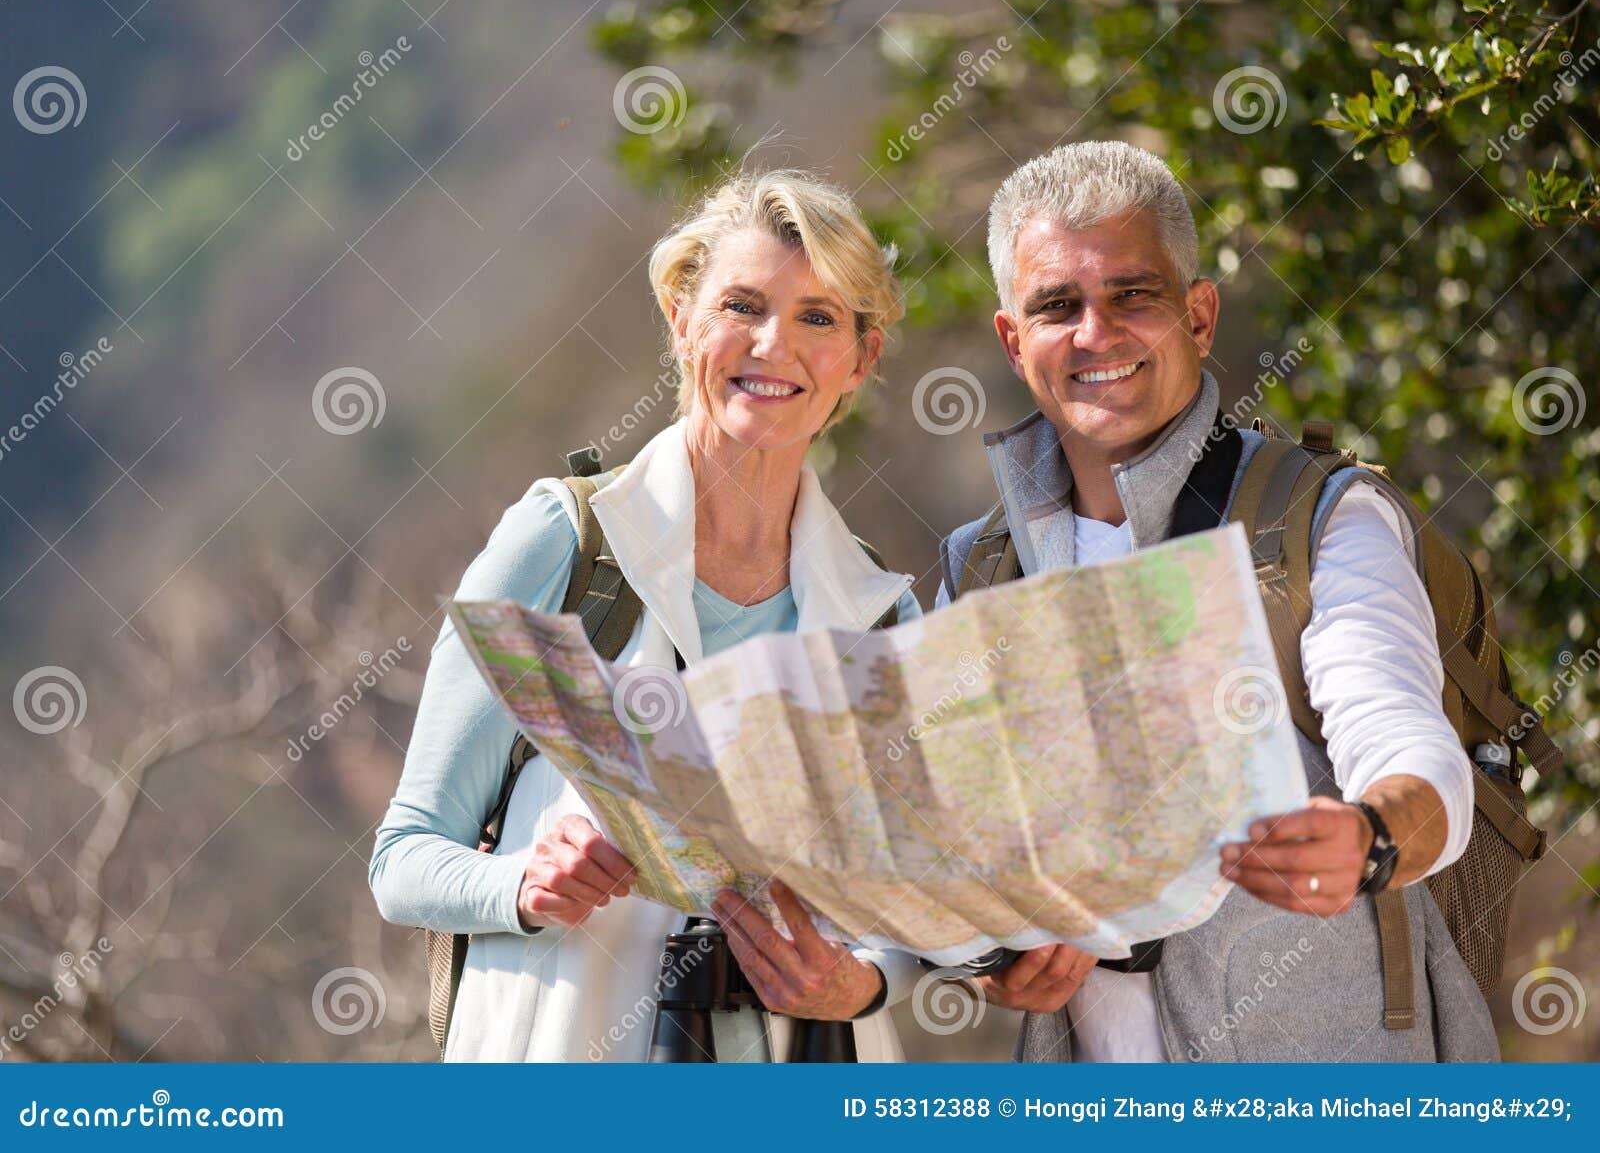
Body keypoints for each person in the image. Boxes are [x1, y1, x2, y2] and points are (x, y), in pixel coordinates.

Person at [936, 140, 1497, 1061]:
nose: (1095, 332)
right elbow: (956, 847)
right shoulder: (979, 567)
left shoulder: (1320, 520)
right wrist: (989, 956)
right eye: (1057, 305)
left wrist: (1369, 839)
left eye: (1133, 294)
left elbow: (1410, 747)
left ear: (1199, 316)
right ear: (1012, 339)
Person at [369, 169, 925, 1061]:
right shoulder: (564, 543)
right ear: (682, 316)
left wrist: (867, 980)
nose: (775, 344)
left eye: (819, 317)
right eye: (742, 305)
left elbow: (917, 910)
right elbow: (403, 857)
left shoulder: (883, 616)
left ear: (860, 359)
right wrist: (522, 883)